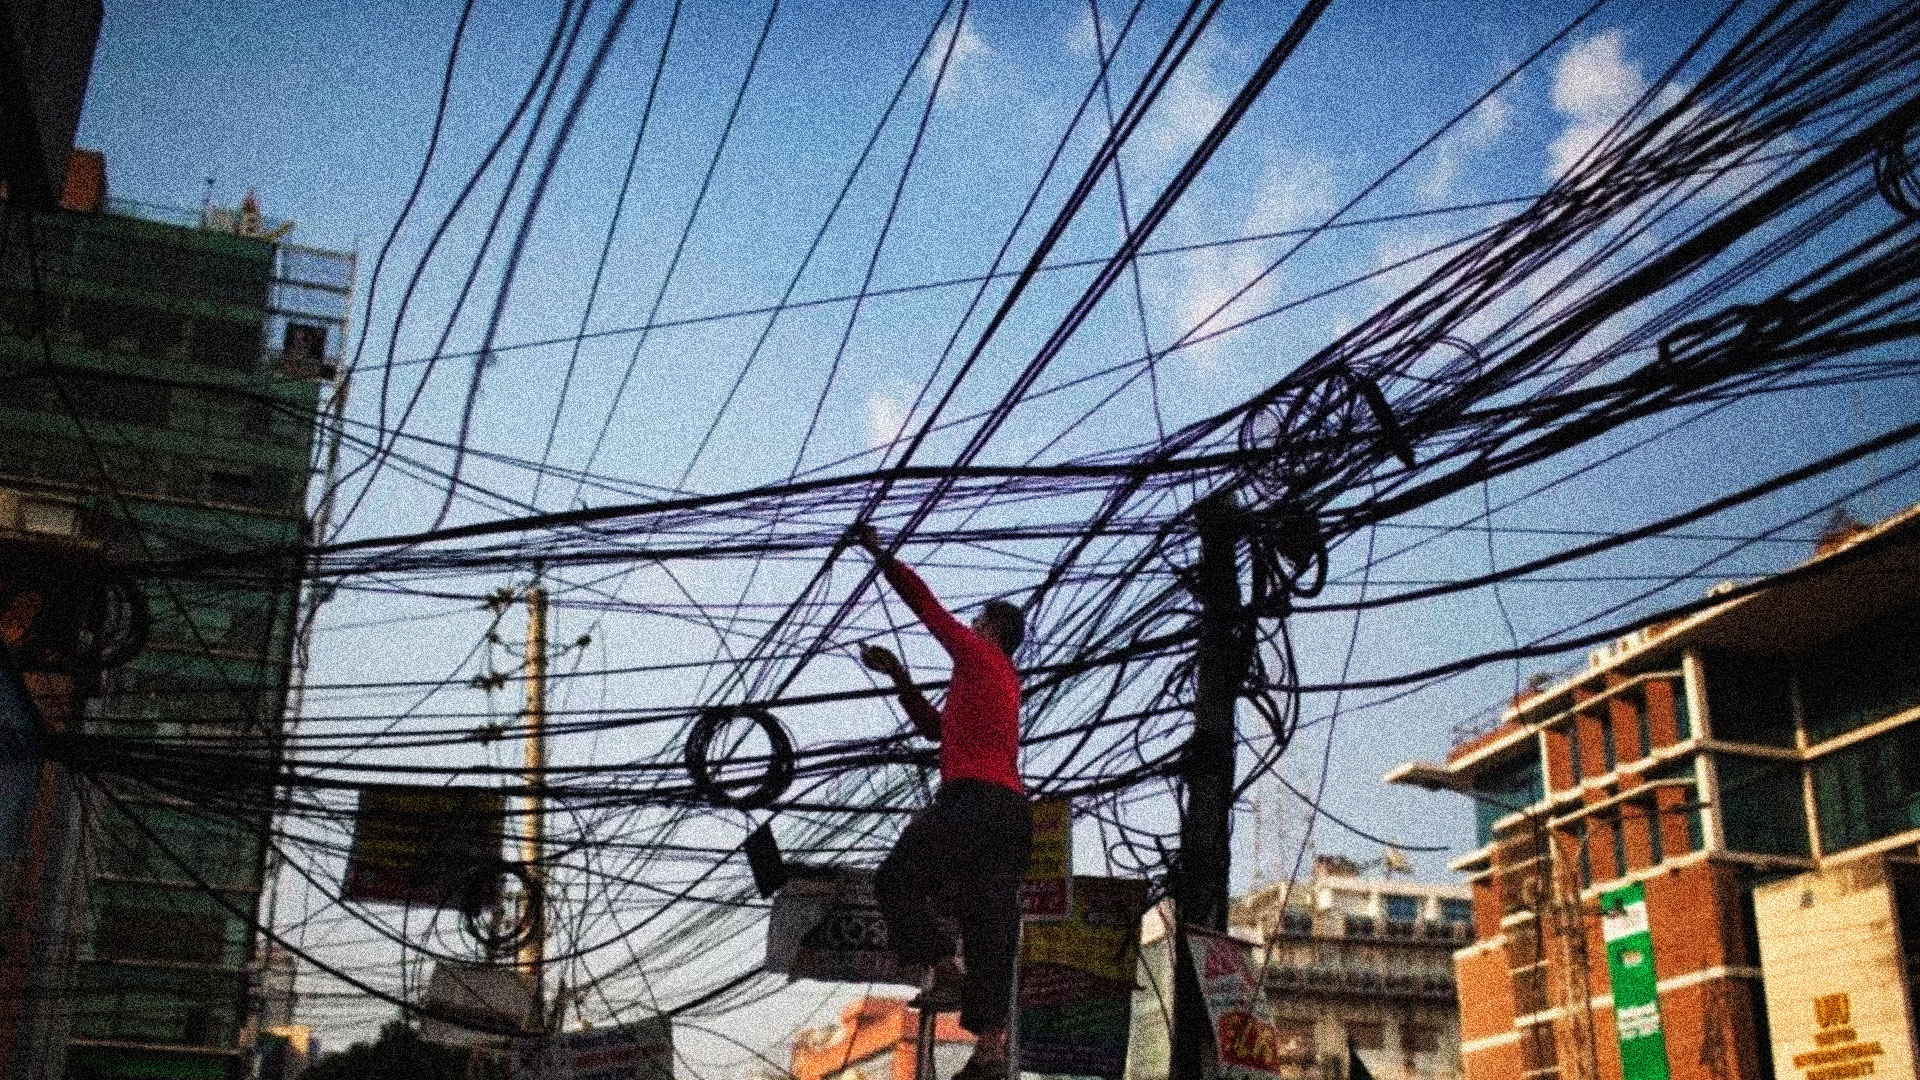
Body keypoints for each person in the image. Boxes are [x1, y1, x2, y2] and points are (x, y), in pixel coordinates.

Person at [850, 523, 1031, 1080]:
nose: (969, 627)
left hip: (973, 800)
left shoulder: (980, 656)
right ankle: (992, 1050)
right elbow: (934, 728)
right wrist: (899, 675)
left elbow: (928, 608)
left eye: (978, 622)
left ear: (991, 630)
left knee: (898, 879)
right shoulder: (996, 681)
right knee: (990, 927)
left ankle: (944, 966)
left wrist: (881, 554)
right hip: (1010, 814)